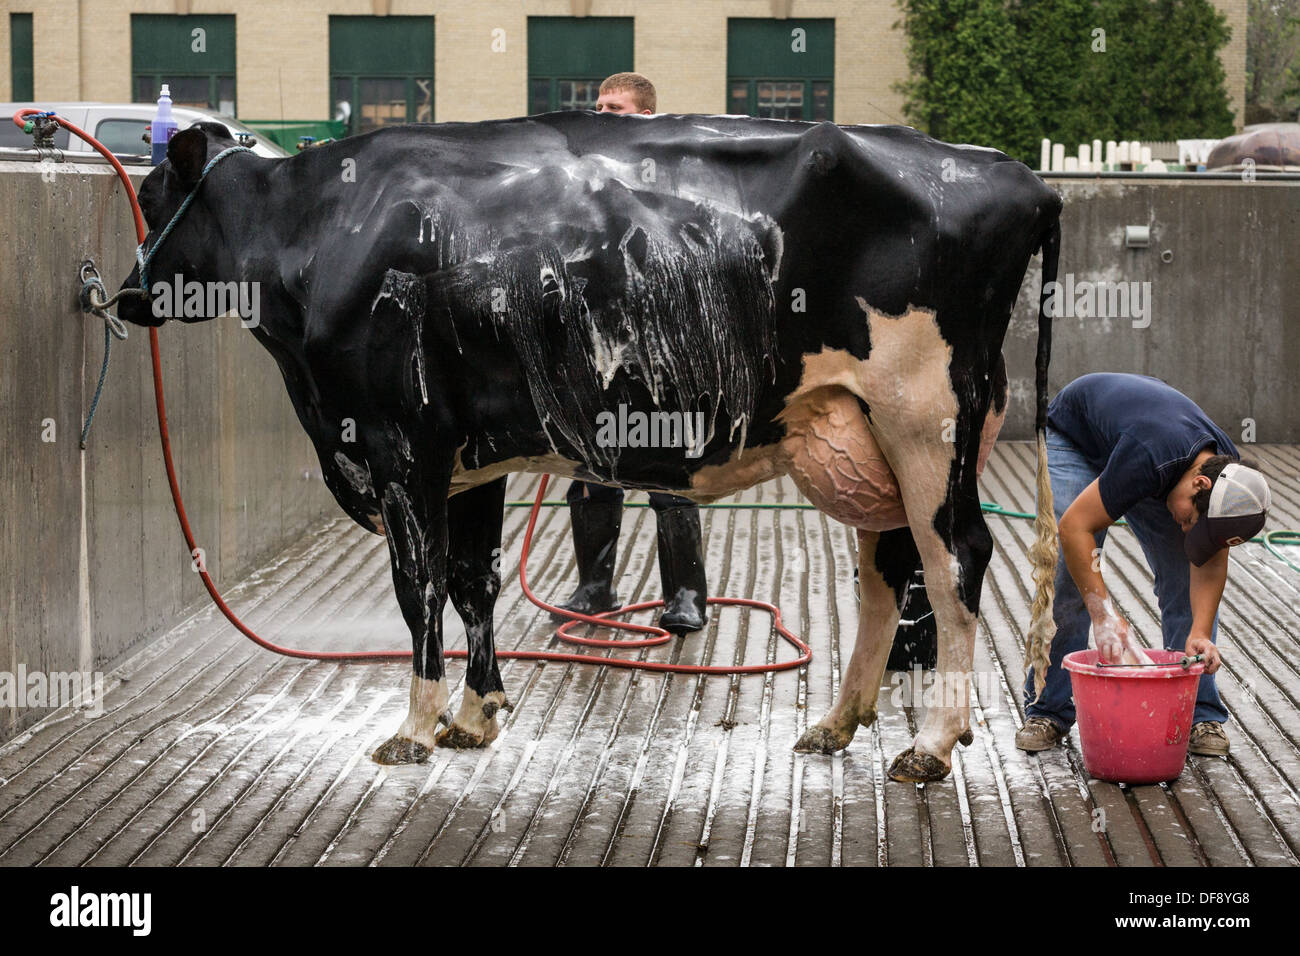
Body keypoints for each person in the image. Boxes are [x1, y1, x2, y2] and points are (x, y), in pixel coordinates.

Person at [1018, 373, 1271, 757]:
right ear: (1200, 484)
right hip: (1078, 438)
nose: (1186, 529)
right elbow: (1074, 529)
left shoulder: (1227, 480)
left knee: (1184, 578)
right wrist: (1103, 614)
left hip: (1151, 459)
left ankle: (1199, 713)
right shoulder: (1150, 455)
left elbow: (1210, 559)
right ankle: (1050, 710)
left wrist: (1200, 632)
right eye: (1191, 521)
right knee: (1070, 575)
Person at [555, 72, 709, 636]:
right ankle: (594, 588)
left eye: (613, 107)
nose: (599, 114)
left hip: (662, 351)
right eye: (596, 105)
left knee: (668, 469)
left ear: (645, 117)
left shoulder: (675, 177)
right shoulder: (578, 182)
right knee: (592, 469)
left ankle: (687, 595)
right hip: (597, 349)